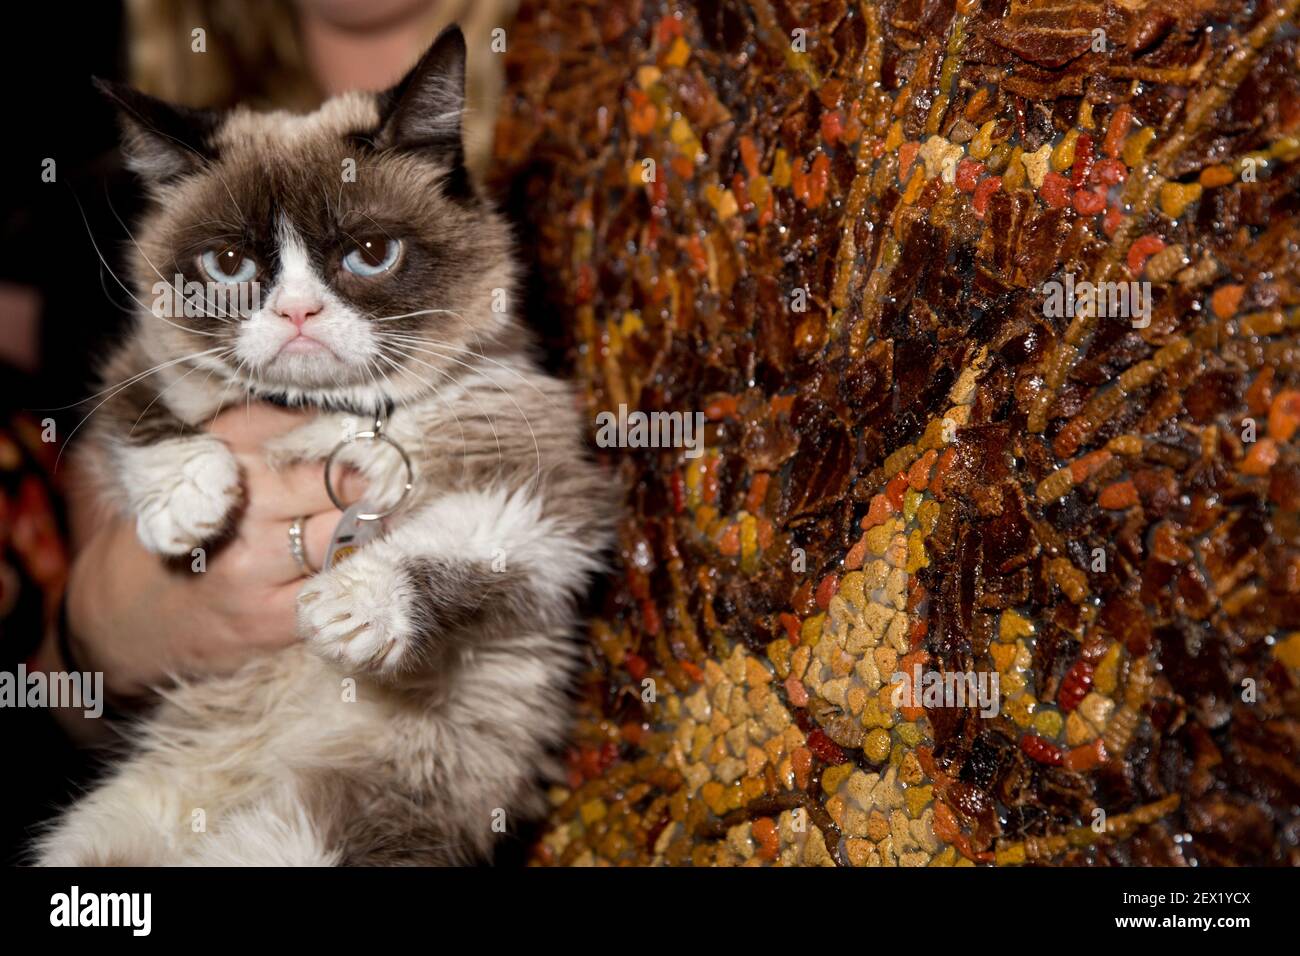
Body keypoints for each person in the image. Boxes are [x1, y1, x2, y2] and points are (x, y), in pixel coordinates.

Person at [0, 0, 515, 862]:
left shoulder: (620, 93)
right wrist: (94, 633)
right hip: (195, 768)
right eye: (236, 268)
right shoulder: (100, 210)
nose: (299, 309)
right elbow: (53, 701)